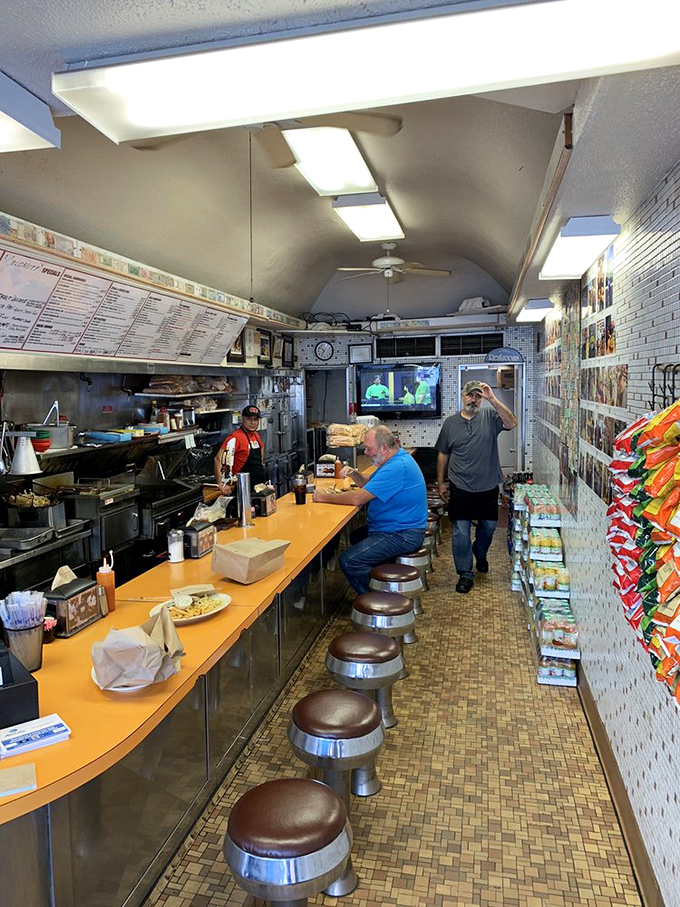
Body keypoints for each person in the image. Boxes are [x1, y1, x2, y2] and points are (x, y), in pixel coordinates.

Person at [312, 426, 427, 594]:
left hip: (402, 534)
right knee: (356, 536)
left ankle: (380, 597)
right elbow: (369, 485)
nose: (365, 452)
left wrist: (323, 496)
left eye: (368, 448)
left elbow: (357, 498)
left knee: (349, 560)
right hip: (396, 528)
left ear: (384, 448)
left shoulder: (397, 467)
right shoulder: (393, 460)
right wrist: (354, 474)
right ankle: (380, 575)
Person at [435, 380, 517, 594]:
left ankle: (479, 553)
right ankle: (465, 573)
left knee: (488, 528)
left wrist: (492, 398)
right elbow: (443, 453)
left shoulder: (490, 417)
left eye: (478, 396)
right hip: (460, 485)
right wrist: (441, 482)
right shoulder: (451, 423)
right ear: (462, 396)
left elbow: (512, 423)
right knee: (460, 531)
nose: (473, 399)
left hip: (487, 484)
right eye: (470, 395)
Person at [214, 404, 266, 491]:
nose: (253, 422)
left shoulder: (256, 435)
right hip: (243, 488)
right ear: (242, 419)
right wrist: (220, 483)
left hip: (259, 485)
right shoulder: (235, 438)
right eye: (249, 419)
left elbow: (261, 450)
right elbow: (217, 459)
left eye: (255, 419)